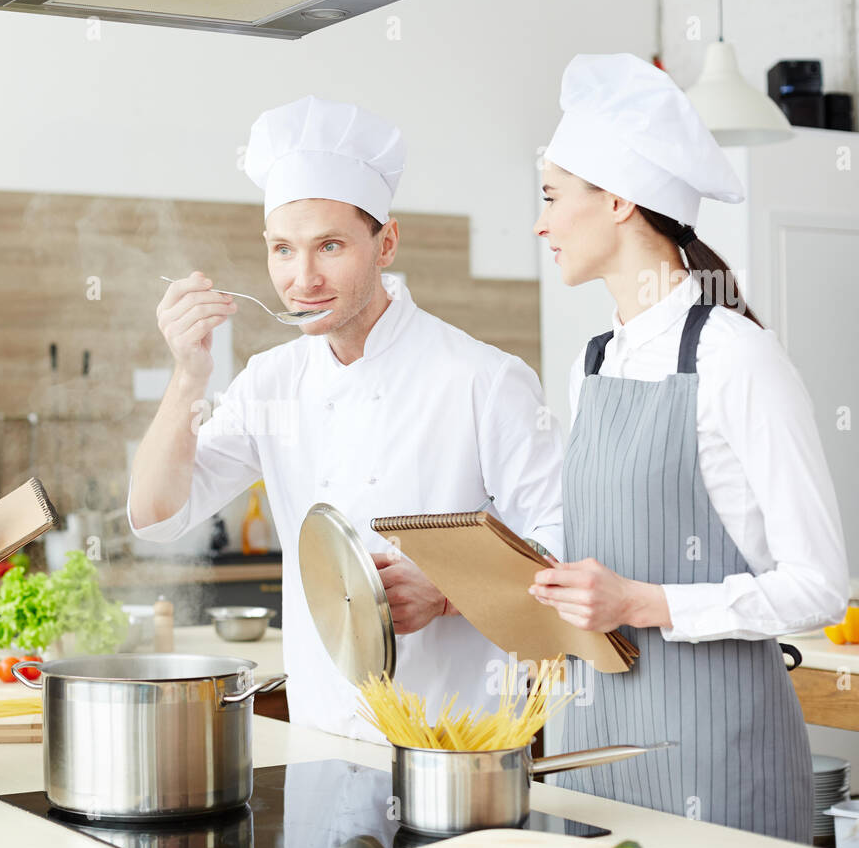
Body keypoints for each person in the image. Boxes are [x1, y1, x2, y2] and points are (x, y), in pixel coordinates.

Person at [128, 95, 565, 741]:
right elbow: (157, 516)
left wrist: (448, 591)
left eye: (329, 246)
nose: (302, 278)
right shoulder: (272, 383)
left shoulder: (481, 378)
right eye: (282, 250)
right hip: (321, 735)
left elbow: (565, 549)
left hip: (456, 746)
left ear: (385, 242)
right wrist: (188, 375)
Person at [528, 54, 848, 841]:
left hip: (720, 756)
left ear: (616, 200)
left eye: (550, 198)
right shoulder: (593, 363)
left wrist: (647, 604)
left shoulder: (736, 358)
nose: (540, 223)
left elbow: (819, 586)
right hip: (593, 752)